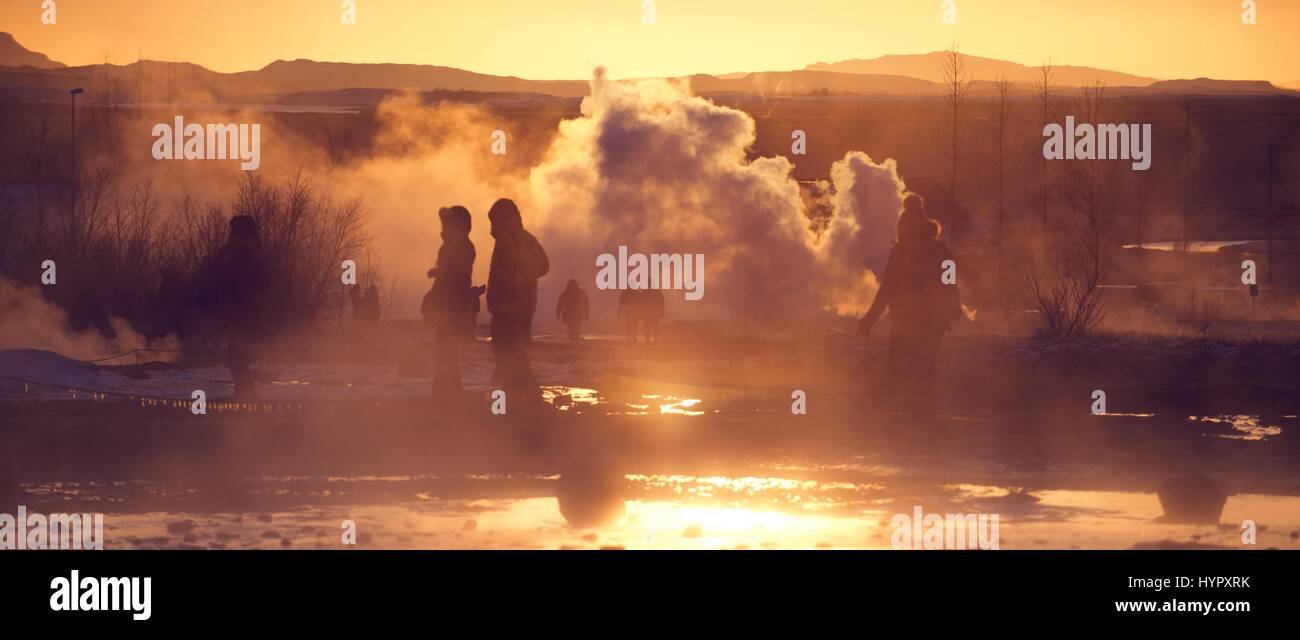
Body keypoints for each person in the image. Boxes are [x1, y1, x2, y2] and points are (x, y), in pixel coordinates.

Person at [857, 193, 961, 416]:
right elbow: (950, 279)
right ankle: (926, 414)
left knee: (900, 367)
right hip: (934, 320)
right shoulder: (940, 250)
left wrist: (869, 319)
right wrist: (952, 307)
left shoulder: (902, 250)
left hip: (907, 318)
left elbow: (887, 288)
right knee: (926, 365)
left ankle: (907, 416)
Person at [201, 215, 274, 401]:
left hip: (243, 312)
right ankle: (245, 394)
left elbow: (219, 276)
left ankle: (246, 395)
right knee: (236, 355)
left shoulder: (246, 254)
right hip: (241, 311)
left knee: (237, 355)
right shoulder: (253, 253)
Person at [486, 198, 549, 390]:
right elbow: (544, 267)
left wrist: (497, 303)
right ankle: (522, 404)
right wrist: (527, 277)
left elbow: (504, 276)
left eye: (494, 221)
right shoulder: (530, 239)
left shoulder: (506, 240)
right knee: (516, 356)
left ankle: (510, 406)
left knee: (507, 358)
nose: (492, 227)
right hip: (525, 308)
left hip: (507, 309)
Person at [423, 206, 484, 399]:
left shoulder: (464, 247)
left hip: (452, 305)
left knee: (445, 349)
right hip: (445, 304)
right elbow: (448, 275)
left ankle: (447, 392)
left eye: (454, 225)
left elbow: (457, 275)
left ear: (464, 227)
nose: (449, 228)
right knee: (443, 350)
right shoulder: (451, 246)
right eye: (448, 225)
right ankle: (446, 390)